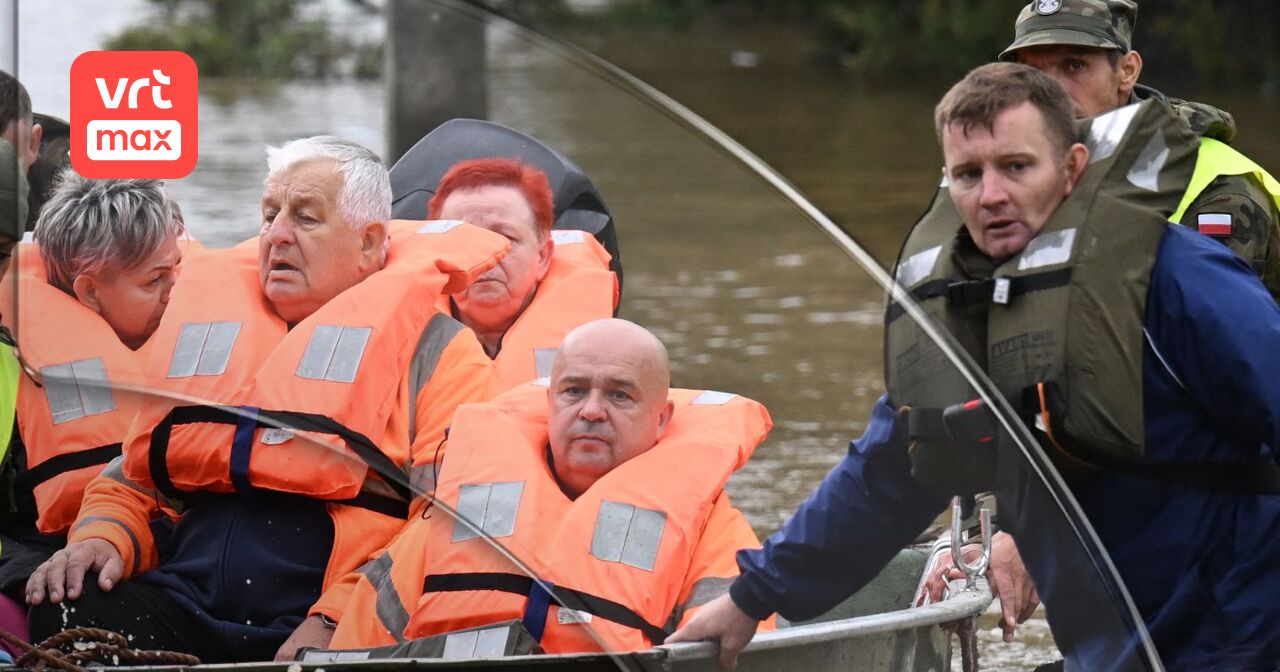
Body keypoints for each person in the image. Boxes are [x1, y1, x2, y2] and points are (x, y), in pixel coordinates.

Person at [670, 63, 1280, 671]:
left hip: (1240, 633)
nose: (991, 195)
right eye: (968, 174)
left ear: (1072, 168)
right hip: (1115, 649)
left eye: (1016, 167)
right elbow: (886, 479)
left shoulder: (1177, 279)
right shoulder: (958, 311)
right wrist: (751, 599)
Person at [23, 136, 508, 662]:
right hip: (185, 602)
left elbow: (444, 518)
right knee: (64, 606)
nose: (276, 236)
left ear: (369, 244)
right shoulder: (213, 332)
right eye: (269, 214)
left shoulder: (440, 355)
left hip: (317, 619)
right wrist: (101, 540)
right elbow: (131, 476)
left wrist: (337, 619)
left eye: (305, 218)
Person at [276, 318, 773, 659]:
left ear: (662, 419)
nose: (592, 411)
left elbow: (738, 645)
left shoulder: (709, 526)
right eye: (575, 391)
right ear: (551, 403)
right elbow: (366, 633)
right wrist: (322, 624)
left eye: (619, 395)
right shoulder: (470, 505)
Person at [0, 176, 183, 655]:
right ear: (89, 292)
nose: (176, 293)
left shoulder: (210, 348)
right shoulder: (17, 370)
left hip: (183, 565)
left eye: (178, 270)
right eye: (154, 281)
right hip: (48, 566)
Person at [999, 0, 1280, 298]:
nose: (1051, 91)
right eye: (1031, 72)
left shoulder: (1218, 192)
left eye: (1074, 66)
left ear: (1127, 71)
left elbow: (1215, 333)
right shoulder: (999, 177)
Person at [426, 158, 618, 388]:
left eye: (505, 239)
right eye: (465, 239)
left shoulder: (611, 349)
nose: (485, 258)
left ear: (542, 257)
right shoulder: (404, 336)